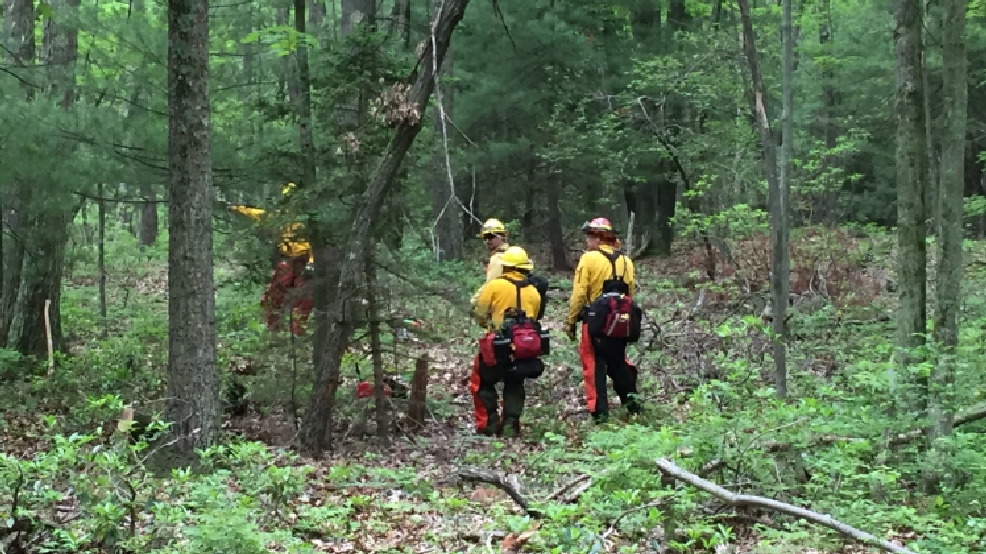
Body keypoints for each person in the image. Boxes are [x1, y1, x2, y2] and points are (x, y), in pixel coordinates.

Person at [564, 217, 642, 422]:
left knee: (594, 365)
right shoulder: (626, 261)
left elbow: (579, 294)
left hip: (595, 322)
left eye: (590, 236)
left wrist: (570, 321)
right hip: (621, 321)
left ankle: (600, 413)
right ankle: (633, 405)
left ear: (599, 238)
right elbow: (630, 293)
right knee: (618, 363)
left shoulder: (589, 259)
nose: (587, 240)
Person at [471, 246, 543, 437]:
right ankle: (511, 426)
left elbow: (479, 312)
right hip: (522, 347)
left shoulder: (495, 286)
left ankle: (489, 425)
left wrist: (489, 324)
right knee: (515, 383)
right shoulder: (533, 292)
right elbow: (534, 317)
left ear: (507, 267)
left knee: (484, 383)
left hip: (497, 345)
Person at [229, 183, 314, 336]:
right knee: (275, 294)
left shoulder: (309, 219)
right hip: (286, 260)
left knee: (304, 297)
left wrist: (312, 262)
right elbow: (257, 214)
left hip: (304, 261)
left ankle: (297, 332)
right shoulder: (278, 217)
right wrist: (235, 208)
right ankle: (273, 330)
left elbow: (316, 242)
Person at [471, 218, 510, 306]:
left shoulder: (498, 258)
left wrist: (474, 302)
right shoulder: (512, 253)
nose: (488, 241)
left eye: (490, 237)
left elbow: (490, 286)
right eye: (485, 238)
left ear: (501, 237)